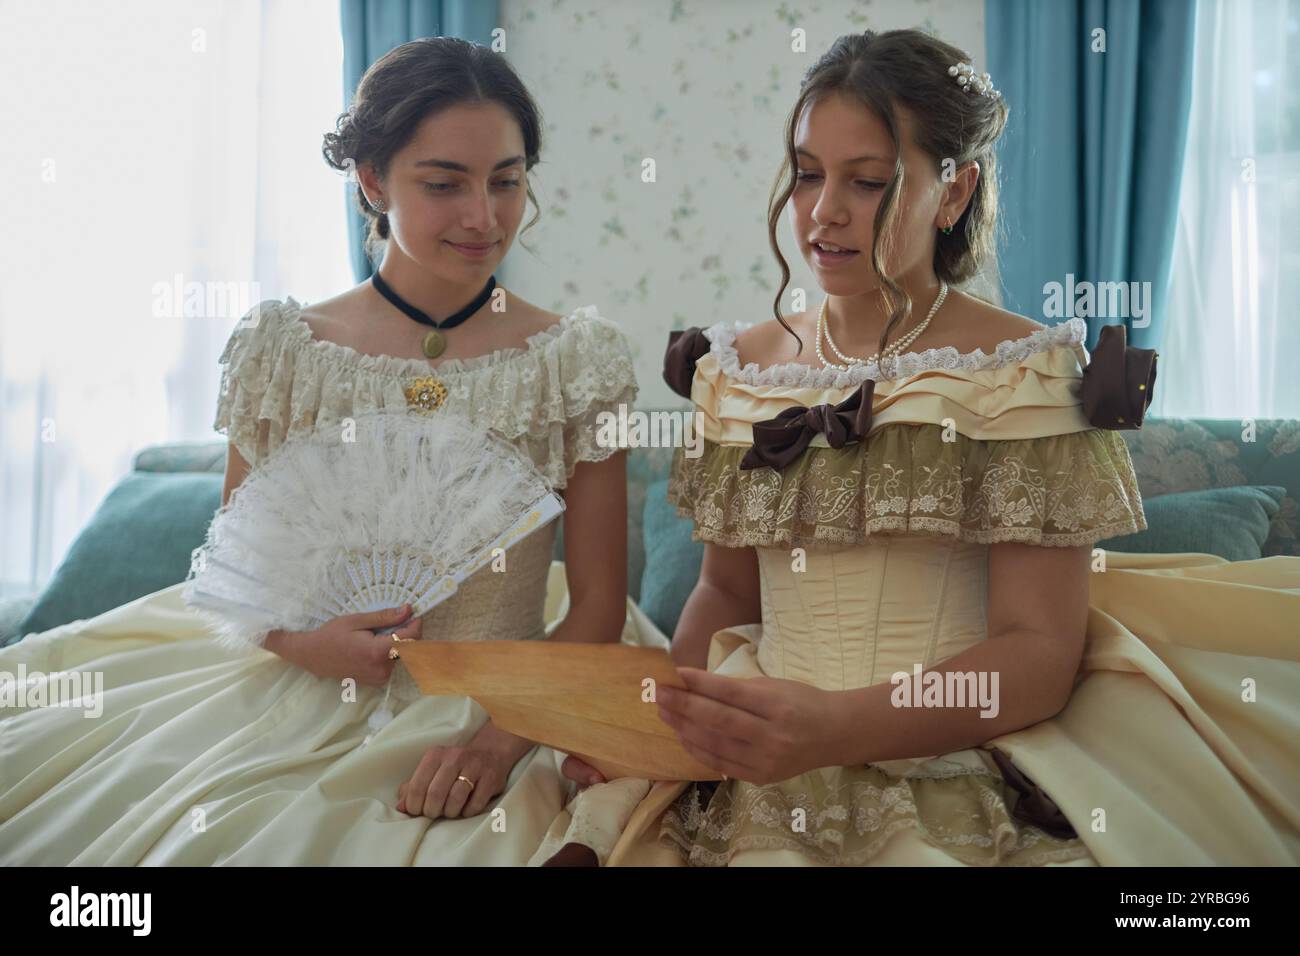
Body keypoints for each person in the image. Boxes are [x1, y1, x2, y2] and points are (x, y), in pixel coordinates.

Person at [534, 28, 1300, 867]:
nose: (824, 210)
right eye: (807, 173)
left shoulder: (1025, 374)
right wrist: (674, 726)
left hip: (949, 761)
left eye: (868, 183)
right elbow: (722, 592)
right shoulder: (738, 372)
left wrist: (837, 728)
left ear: (954, 190)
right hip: (759, 767)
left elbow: (1039, 653)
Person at [0, 37, 665, 865]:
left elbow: (599, 609)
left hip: (505, 706)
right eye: (443, 182)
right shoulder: (285, 349)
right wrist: (303, 644)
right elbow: (243, 575)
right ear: (373, 180)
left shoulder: (576, 359)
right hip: (296, 691)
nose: (483, 217)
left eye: (507, 179)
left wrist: (496, 748)